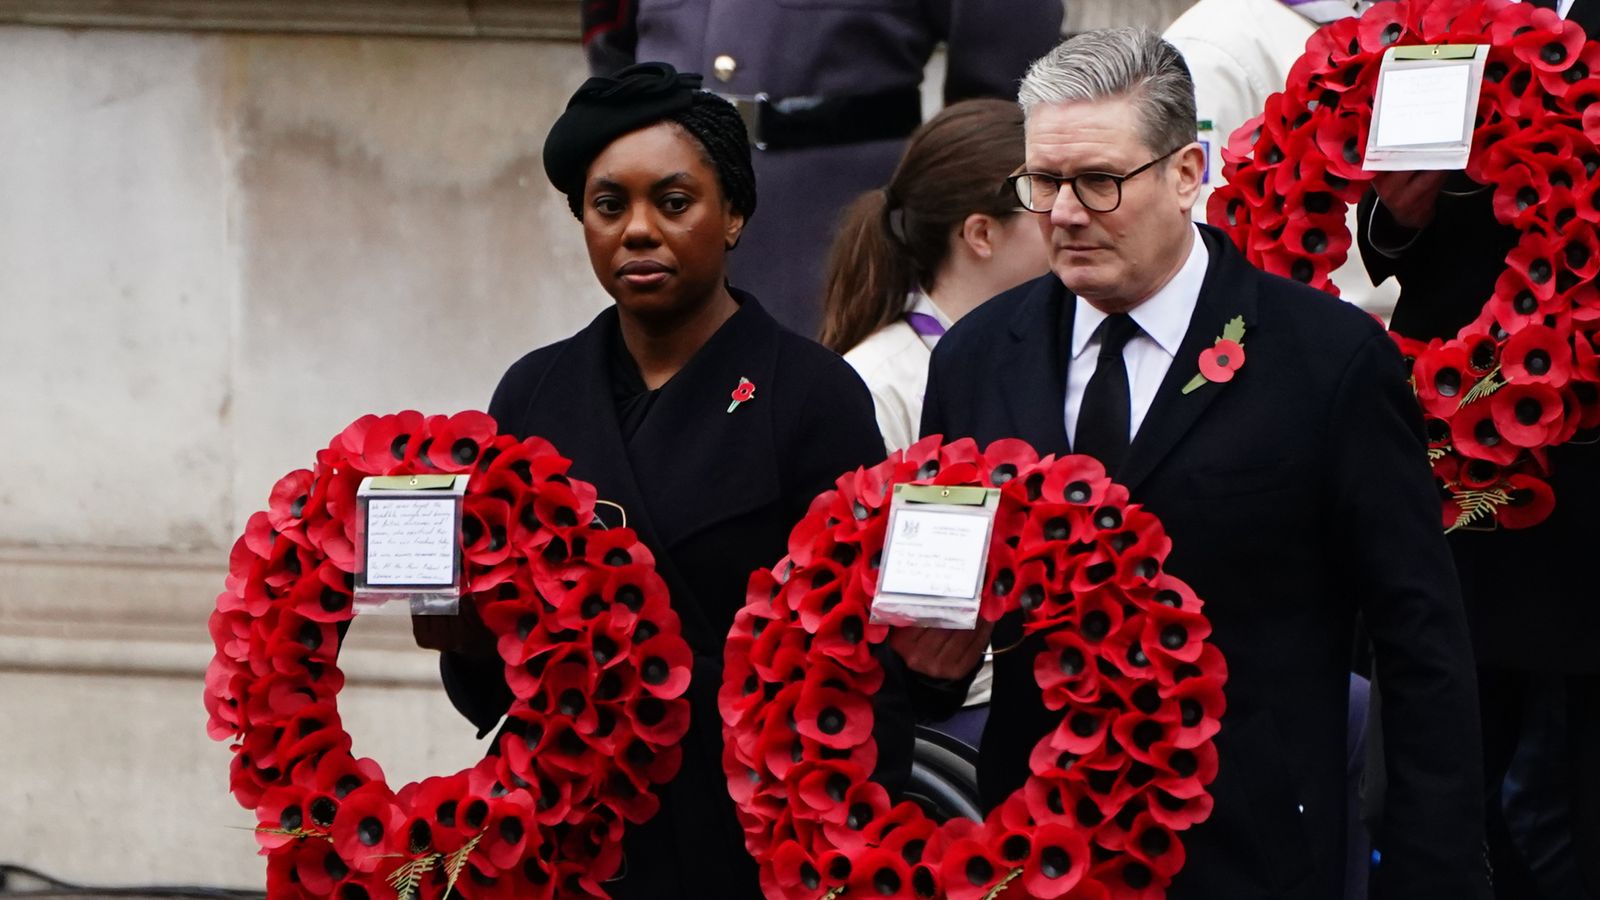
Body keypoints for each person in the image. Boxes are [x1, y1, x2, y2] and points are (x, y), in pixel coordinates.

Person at [912, 28, 1488, 898]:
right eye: (1044, 184)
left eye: (1099, 181)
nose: (1065, 212)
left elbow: (1420, 639)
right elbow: (935, 605)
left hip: (1252, 846)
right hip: (1042, 844)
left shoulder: (1323, 360)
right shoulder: (976, 358)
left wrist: (1434, 872)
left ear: (1188, 173)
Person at [415, 62, 902, 898]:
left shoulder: (813, 395)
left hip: (749, 831)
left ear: (735, 214)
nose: (639, 230)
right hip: (570, 828)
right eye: (610, 207)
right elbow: (499, 675)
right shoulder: (533, 390)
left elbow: (865, 659)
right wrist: (460, 632)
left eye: (673, 203)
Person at [1357, 2, 1600, 895]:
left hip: (1587, 464)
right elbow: (1382, 234)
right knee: (1449, 760)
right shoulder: (1432, 15)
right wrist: (1395, 216)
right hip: (1466, 438)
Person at [575, 0, 1064, 337]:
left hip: (834, 213)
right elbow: (612, 39)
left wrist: (959, 197)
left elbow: (1002, 70)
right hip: (671, 196)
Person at [819, 98, 1050, 451]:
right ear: (982, 234)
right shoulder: (877, 386)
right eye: (1043, 199)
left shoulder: (1059, 347)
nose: (1069, 216)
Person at [1164, 0, 1400, 322]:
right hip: (1310, 332)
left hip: (1398, 325)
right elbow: (1197, 232)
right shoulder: (1212, 44)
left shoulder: (1384, 17)